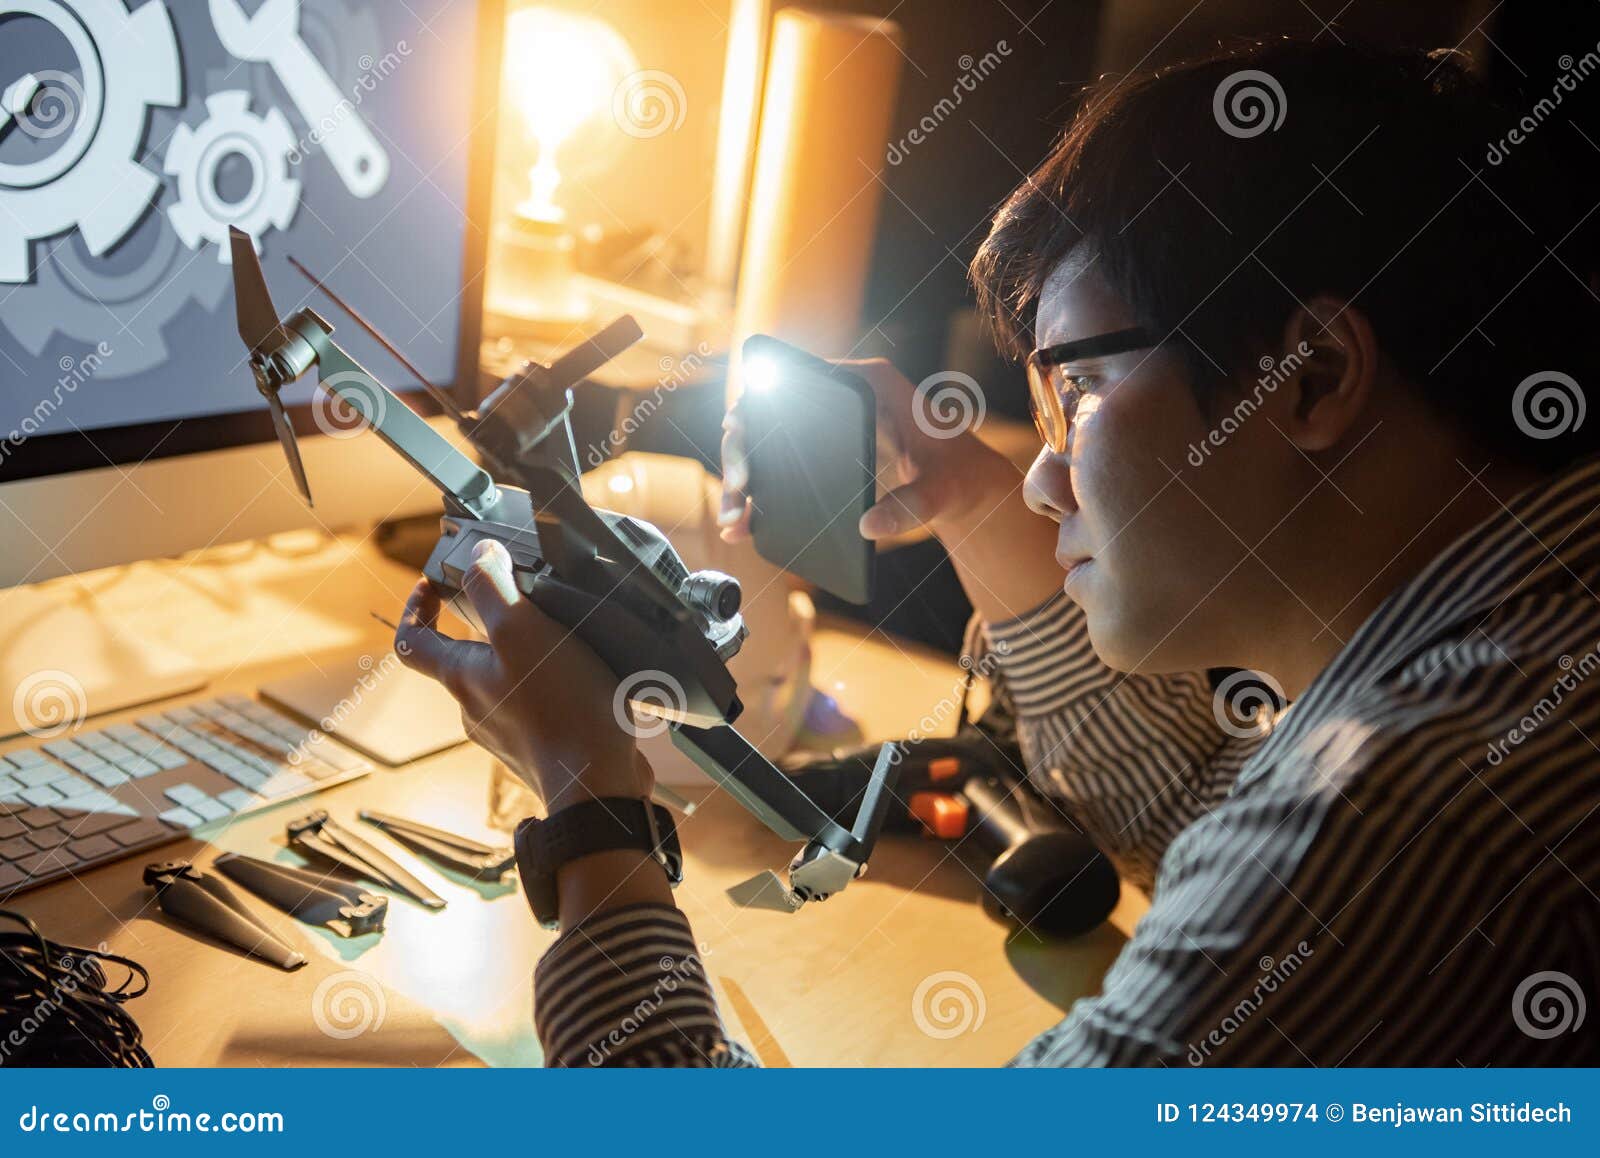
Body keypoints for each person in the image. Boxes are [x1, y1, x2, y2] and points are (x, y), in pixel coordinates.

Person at [397, 39, 1600, 1065]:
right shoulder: (1520, 646)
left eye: (1079, 389)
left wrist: (590, 806)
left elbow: (1290, 859)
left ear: (1315, 375)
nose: (1039, 467)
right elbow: (1194, 819)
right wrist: (971, 506)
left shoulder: (1402, 825)